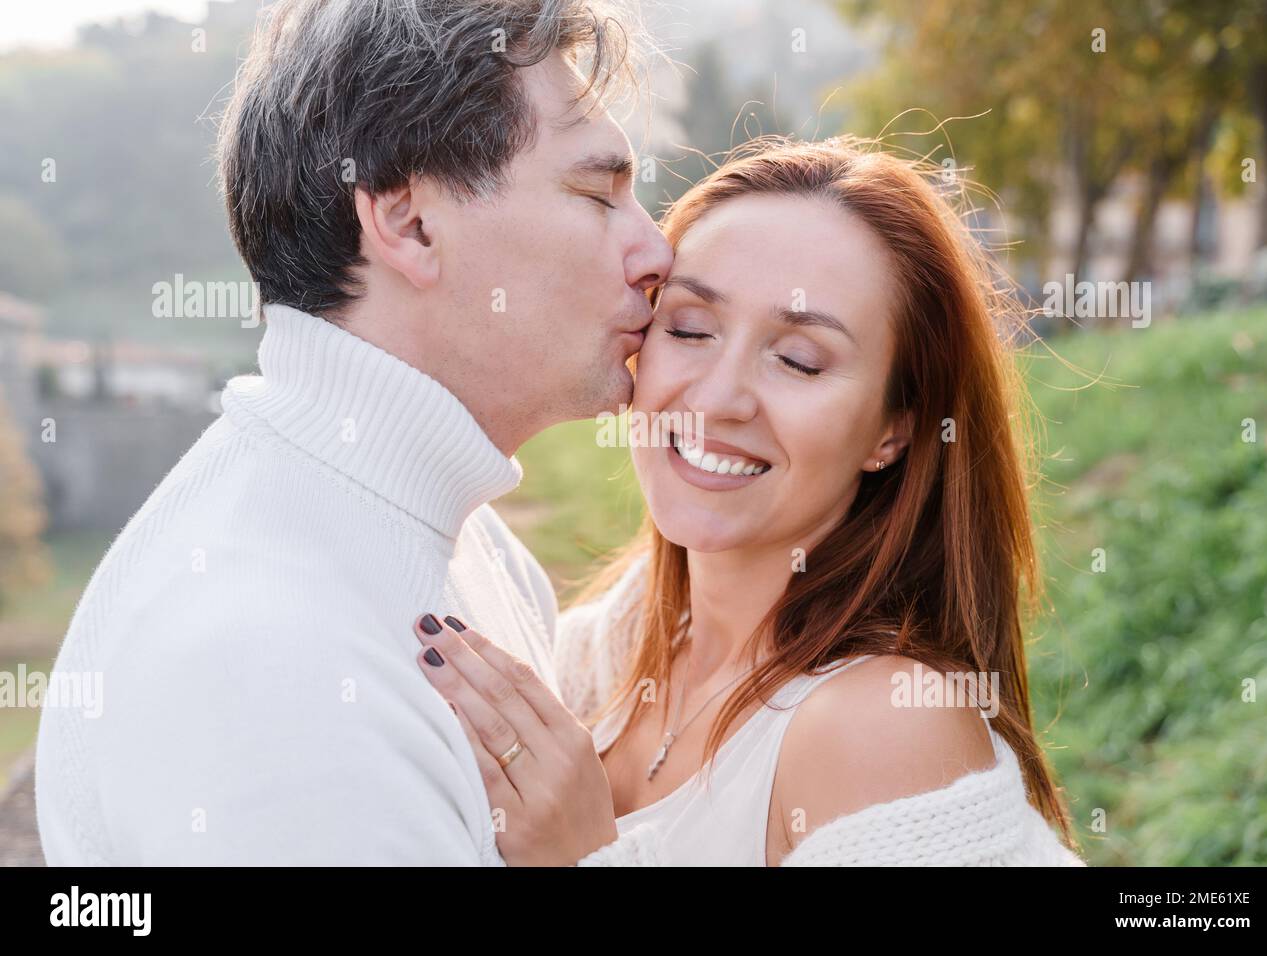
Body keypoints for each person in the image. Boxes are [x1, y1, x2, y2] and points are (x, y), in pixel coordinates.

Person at [35, 0, 671, 865]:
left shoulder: (468, 544)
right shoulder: (266, 666)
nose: (657, 252)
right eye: (598, 193)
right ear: (410, 225)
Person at [413, 137, 1087, 866]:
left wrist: (579, 858)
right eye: (691, 328)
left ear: (894, 430)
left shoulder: (885, 728)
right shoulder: (601, 653)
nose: (718, 398)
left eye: (798, 359)